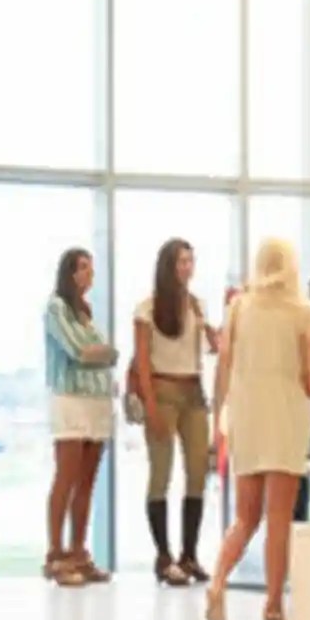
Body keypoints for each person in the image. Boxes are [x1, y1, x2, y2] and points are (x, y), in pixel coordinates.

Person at [206, 238, 310, 620]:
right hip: (285, 416)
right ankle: (272, 605)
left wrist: (220, 416)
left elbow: (225, 364)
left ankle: (217, 582)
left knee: (245, 516)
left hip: (246, 414)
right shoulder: (304, 312)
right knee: (278, 517)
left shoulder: (239, 307)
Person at [134, 238, 218, 585]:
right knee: (161, 473)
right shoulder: (147, 307)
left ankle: (190, 554)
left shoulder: (197, 305)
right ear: (168, 265)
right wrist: (150, 404)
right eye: (182, 261)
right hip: (162, 389)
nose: (188, 267)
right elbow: (141, 360)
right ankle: (163, 555)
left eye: (191, 261)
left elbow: (209, 349)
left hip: (193, 390)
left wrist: (214, 335)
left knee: (198, 470)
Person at [42, 248, 118, 587]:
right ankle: (55, 554)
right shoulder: (56, 307)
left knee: (87, 481)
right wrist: (105, 355)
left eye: (91, 267)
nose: (89, 274)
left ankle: (78, 552)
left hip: (97, 402)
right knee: (67, 476)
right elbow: (80, 352)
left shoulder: (86, 312)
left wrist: (103, 356)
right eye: (83, 268)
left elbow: (101, 355)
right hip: (70, 399)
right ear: (69, 273)